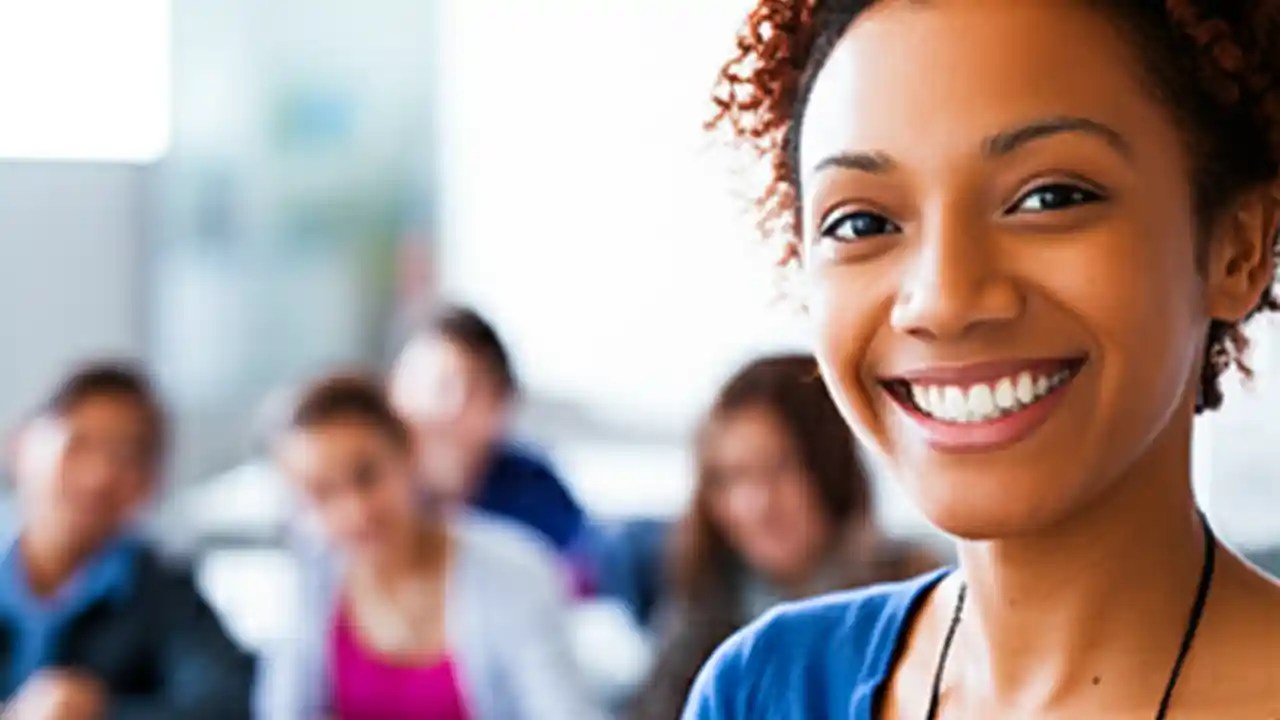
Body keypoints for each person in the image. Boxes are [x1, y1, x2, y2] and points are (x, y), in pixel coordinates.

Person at [685, 1, 1280, 718]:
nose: (944, 299)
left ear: (1237, 249)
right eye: (862, 222)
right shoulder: (768, 690)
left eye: (1050, 198)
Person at [263, 374, 603, 720]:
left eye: (366, 475)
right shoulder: (309, 588)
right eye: (322, 493)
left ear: (406, 451)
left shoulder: (516, 572)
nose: (355, 511)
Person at [634, 355, 936, 720]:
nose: (757, 505)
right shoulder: (701, 611)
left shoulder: (916, 600)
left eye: (780, 468)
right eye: (732, 477)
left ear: (829, 467)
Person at [0, 362, 254, 719]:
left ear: (152, 483)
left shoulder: (163, 592)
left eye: (127, 457)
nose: (99, 476)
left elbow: (223, 704)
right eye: (78, 443)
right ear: (21, 446)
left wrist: (101, 712)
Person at [388, 305, 593, 582]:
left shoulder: (534, 492)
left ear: (501, 406)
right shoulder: (370, 492)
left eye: (466, 390)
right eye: (426, 387)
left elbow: (574, 579)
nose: (443, 410)